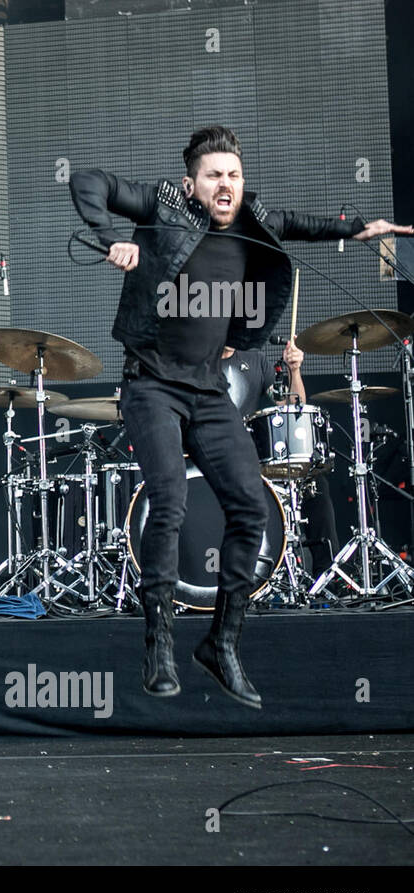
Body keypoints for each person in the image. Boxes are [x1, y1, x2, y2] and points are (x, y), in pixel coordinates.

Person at [69, 126, 411, 708]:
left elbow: (310, 224)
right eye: (213, 176)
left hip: (206, 392)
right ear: (191, 183)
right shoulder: (161, 204)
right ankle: (159, 642)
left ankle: (221, 642)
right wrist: (109, 239)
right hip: (152, 384)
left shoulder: (260, 222)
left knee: (252, 506)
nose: (224, 184)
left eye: (233, 174)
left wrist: (361, 228)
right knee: (170, 501)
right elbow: (88, 179)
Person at [221, 341, 339, 574]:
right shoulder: (197, 361)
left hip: (256, 462)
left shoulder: (255, 360)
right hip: (215, 460)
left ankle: (327, 576)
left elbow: (293, 407)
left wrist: (293, 370)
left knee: (315, 486)